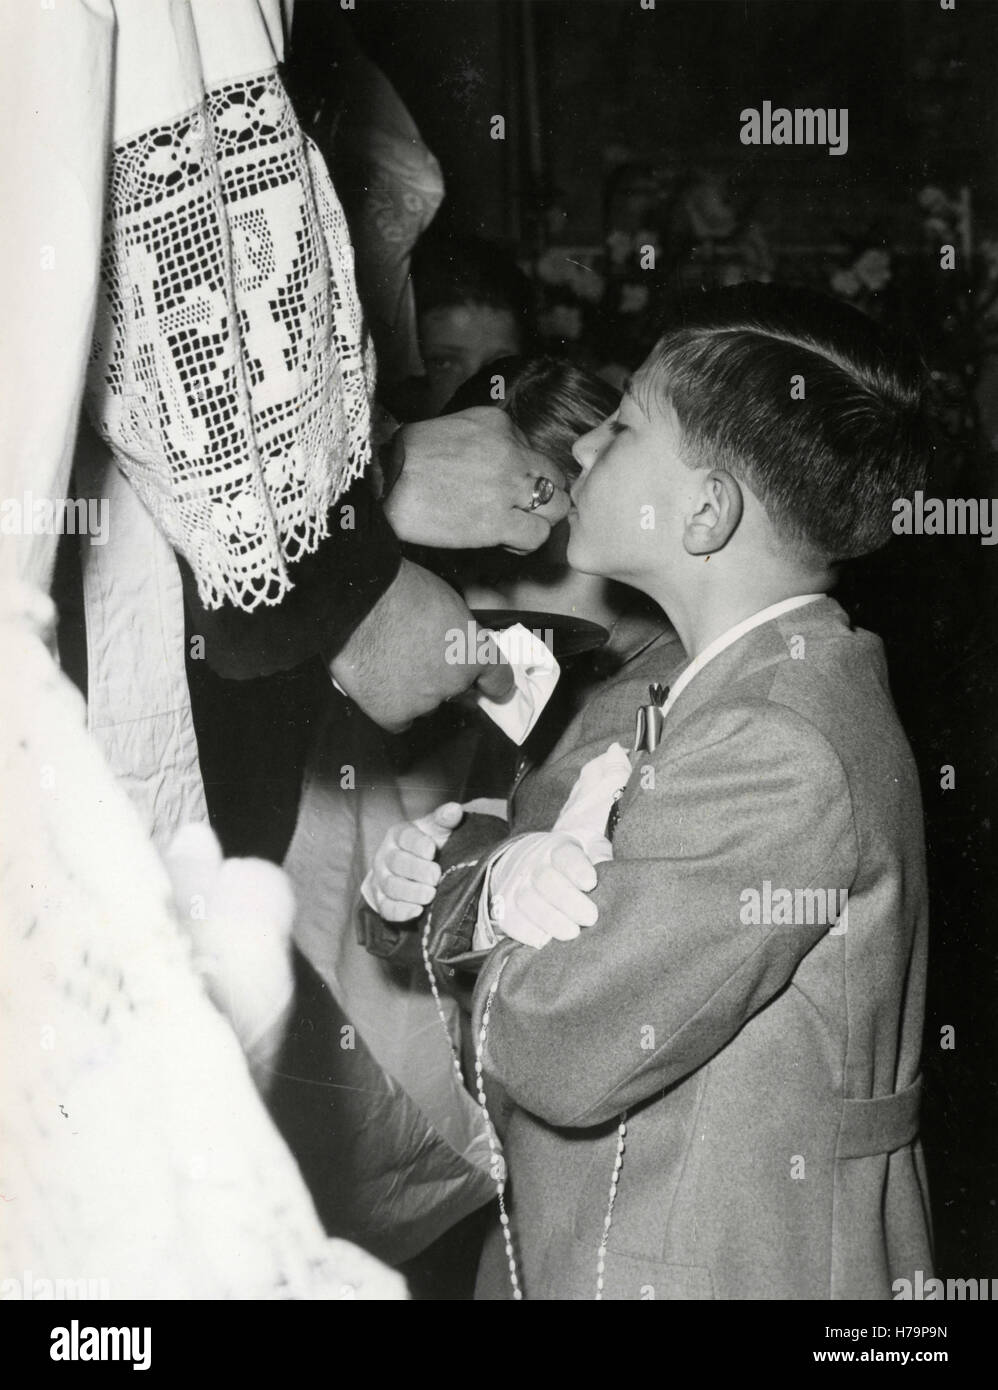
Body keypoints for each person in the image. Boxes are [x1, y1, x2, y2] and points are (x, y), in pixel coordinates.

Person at [370, 284, 934, 1300]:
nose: (580, 453)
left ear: (707, 511)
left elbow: (555, 1039)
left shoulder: (777, 742)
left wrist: (488, 889)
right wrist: (484, 867)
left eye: (622, 428)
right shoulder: (737, 685)